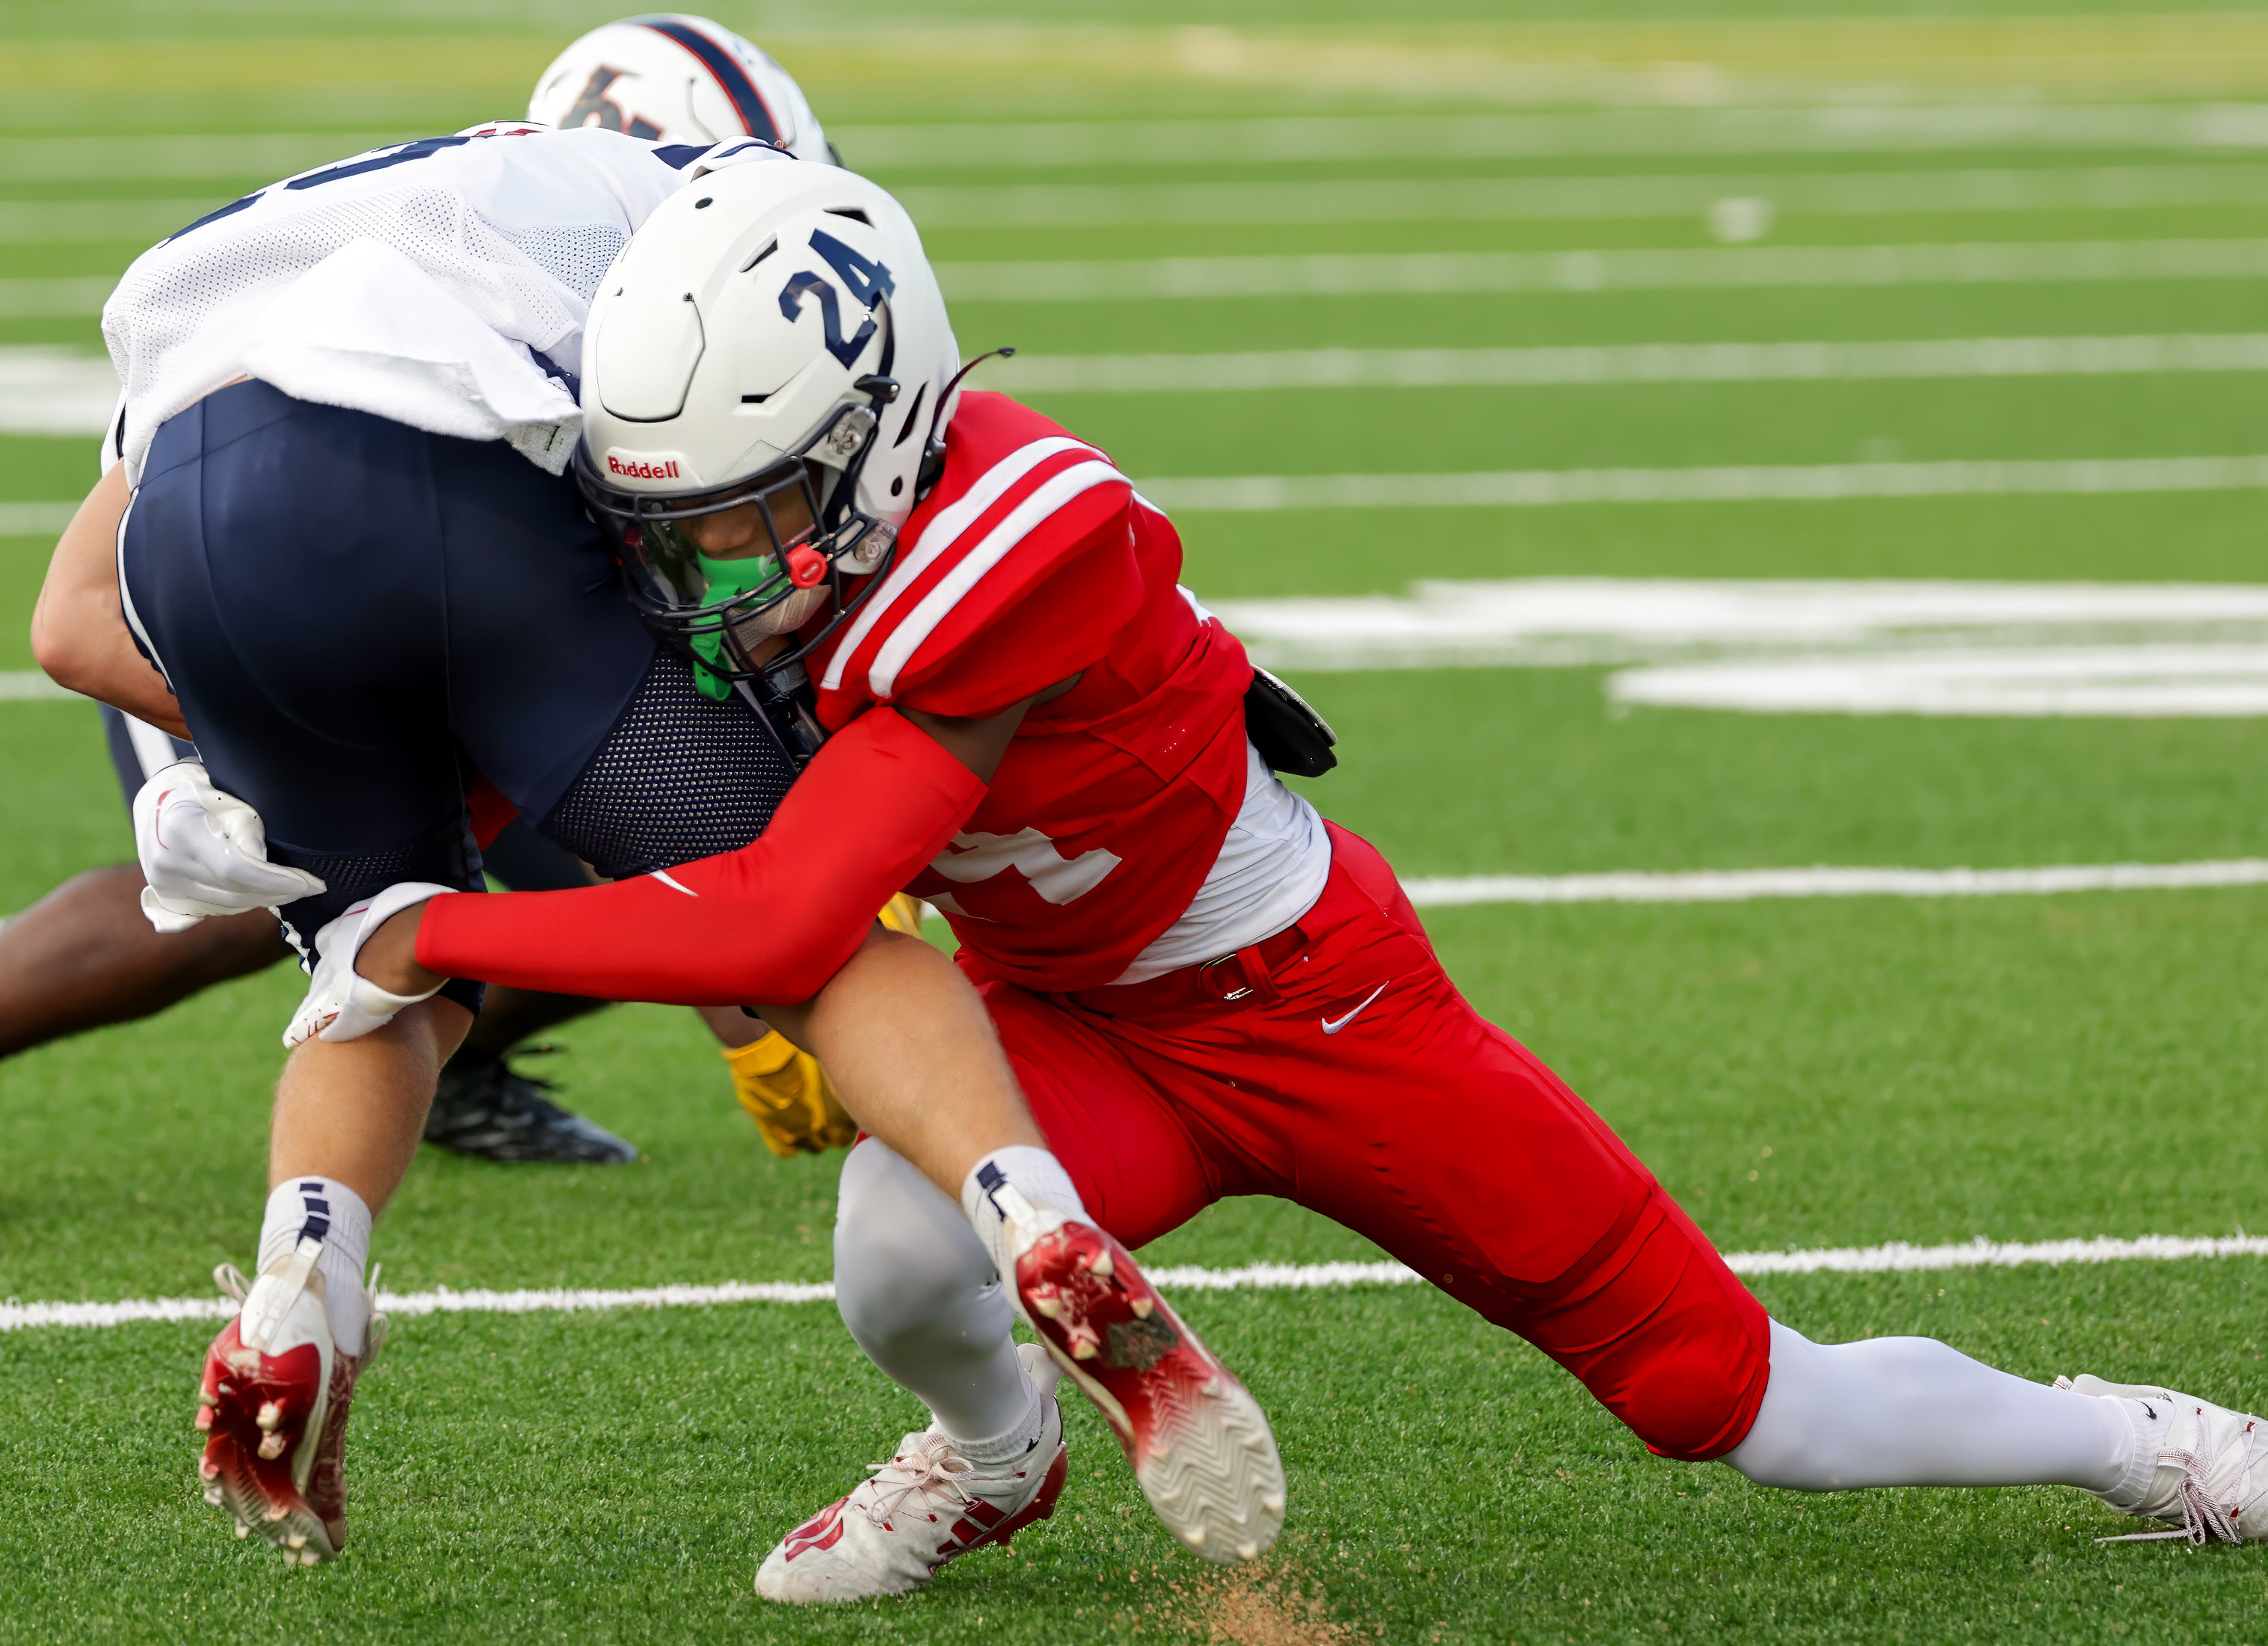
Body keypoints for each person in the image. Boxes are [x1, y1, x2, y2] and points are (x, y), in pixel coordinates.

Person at [254, 157, 2268, 1600]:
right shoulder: (819, 550)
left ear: (871, 445)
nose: (701, 579)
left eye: (746, 520)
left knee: (1730, 1399)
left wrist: (422, 924)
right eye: (670, 527)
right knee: (892, 1250)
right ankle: (995, 1452)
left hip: (1314, 1007)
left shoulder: (1025, 536)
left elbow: (787, 916)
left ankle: (2136, 1431)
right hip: (1068, 1023)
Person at [43, 132, 1277, 1573]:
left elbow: (68, 631)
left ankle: (301, 1277)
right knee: (811, 934)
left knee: (375, 959)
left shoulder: (232, 249)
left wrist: (325, 740)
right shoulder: (682, 203)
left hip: (205, 539)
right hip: (457, 488)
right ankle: (1037, 1220)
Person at [0, 13, 857, 1165]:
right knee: (257, 895)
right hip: (198, 605)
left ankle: (463, 1060)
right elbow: (74, 622)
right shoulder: (465, 276)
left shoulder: (558, 256)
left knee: (595, 805)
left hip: (411, 583)